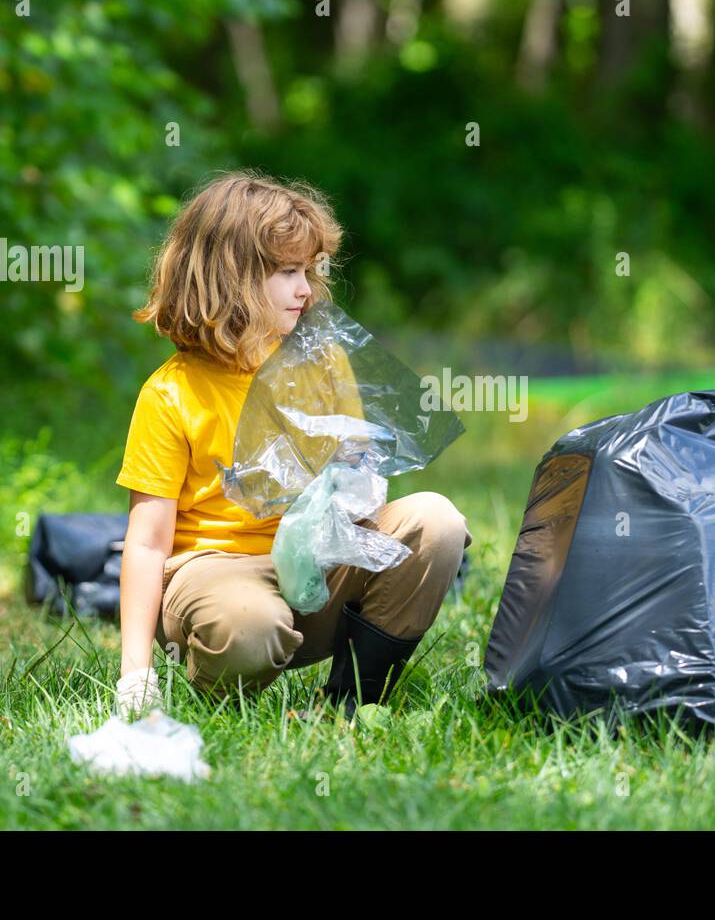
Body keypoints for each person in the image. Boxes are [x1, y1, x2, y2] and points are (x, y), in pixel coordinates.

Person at [114, 171, 472, 719]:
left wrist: (352, 492)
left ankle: (349, 703)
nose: (306, 288)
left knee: (437, 521)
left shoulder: (325, 362)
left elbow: (361, 489)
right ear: (227, 277)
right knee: (251, 626)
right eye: (287, 272)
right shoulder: (171, 392)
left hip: (315, 565)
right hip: (218, 574)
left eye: (308, 271)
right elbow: (146, 543)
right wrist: (135, 673)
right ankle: (222, 687)